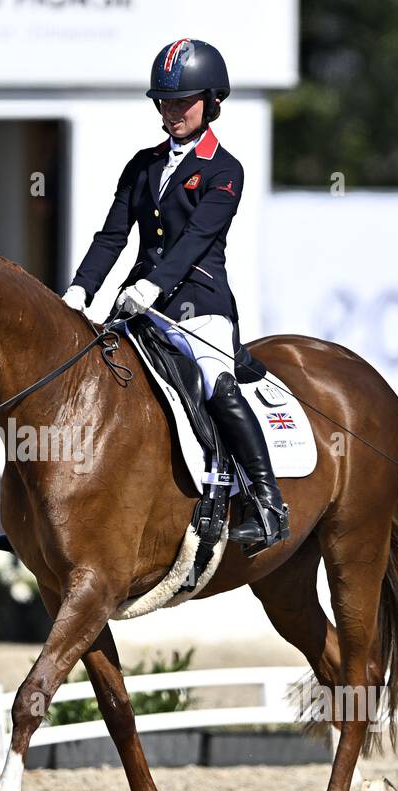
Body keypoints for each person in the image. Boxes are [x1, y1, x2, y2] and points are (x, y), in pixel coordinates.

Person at [60, 38, 289, 549]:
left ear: (211, 102)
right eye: (164, 102)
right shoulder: (142, 165)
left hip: (198, 305)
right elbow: (112, 236)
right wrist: (78, 291)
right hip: (136, 305)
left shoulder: (224, 170)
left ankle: (268, 502)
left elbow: (195, 240)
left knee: (216, 383)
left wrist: (150, 285)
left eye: (182, 101)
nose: (171, 112)